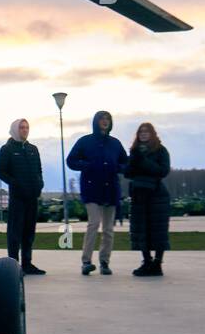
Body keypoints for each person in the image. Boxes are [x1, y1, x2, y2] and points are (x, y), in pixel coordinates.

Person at [66, 110, 127, 275]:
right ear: (96, 121)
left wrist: (118, 168)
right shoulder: (85, 142)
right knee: (93, 224)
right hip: (92, 188)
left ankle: (104, 261)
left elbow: (125, 163)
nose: (105, 121)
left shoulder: (115, 143)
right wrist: (87, 166)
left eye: (108, 119)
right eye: (102, 119)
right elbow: (71, 160)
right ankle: (86, 261)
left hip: (110, 190)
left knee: (108, 229)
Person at [0, 117, 45, 274]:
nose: (25, 130)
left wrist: (39, 183)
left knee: (29, 232)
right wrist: (15, 183)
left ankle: (27, 264)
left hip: (32, 197)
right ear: (16, 129)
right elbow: (0, 172)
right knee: (15, 232)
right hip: (17, 198)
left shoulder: (33, 149)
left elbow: (39, 170)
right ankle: (13, 265)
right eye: (22, 127)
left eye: (27, 127)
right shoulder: (7, 149)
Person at [124, 121, 171, 276]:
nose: (143, 134)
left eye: (146, 131)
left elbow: (163, 171)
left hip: (157, 195)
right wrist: (130, 165)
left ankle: (157, 263)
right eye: (141, 132)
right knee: (141, 230)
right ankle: (146, 261)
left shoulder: (160, 150)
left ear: (152, 134)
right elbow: (128, 173)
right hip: (139, 195)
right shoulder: (134, 151)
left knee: (158, 230)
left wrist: (143, 162)